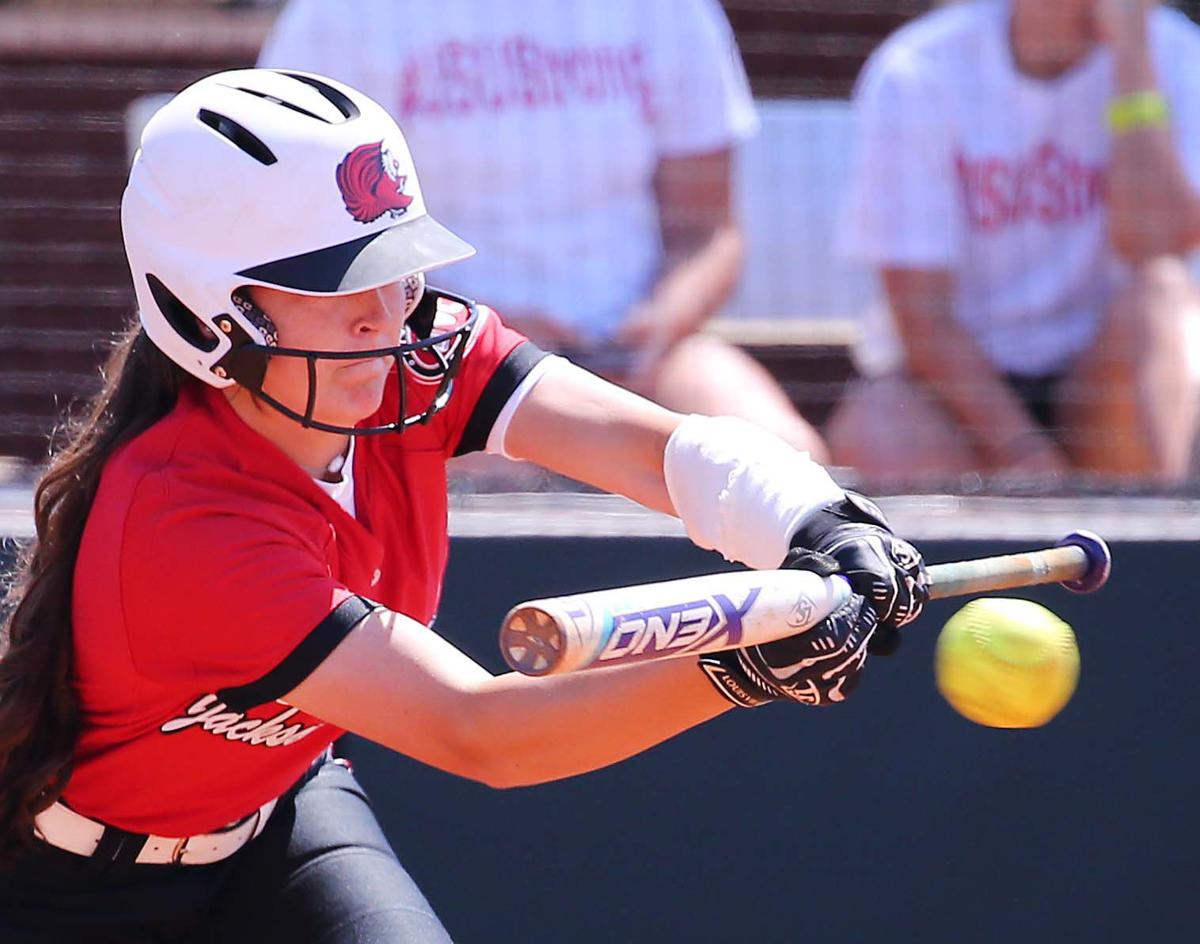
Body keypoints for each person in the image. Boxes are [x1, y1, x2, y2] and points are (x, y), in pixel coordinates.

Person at [0, 70, 926, 942]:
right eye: (332, 280)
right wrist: (742, 666)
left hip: (277, 817)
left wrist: (819, 520)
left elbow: (659, 450)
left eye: (392, 265)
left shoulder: (413, 359)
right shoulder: (185, 519)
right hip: (70, 892)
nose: (382, 312)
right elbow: (483, 729)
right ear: (210, 310)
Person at [256, 0, 829, 460]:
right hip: (425, 355)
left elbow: (707, 233)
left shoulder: (670, 11)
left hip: (643, 357)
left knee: (787, 460)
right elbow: (299, 241)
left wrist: (657, 323)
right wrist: (485, 333)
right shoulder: (335, 16)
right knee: (480, 457)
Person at [830, 0, 1200, 484]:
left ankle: (1160, 550)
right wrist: (1027, 456)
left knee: (1162, 296)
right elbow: (922, 315)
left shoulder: (1176, 54)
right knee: (880, 429)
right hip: (959, 395)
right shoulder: (918, 69)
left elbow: (1156, 243)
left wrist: (1132, 56)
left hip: (1107, 384)